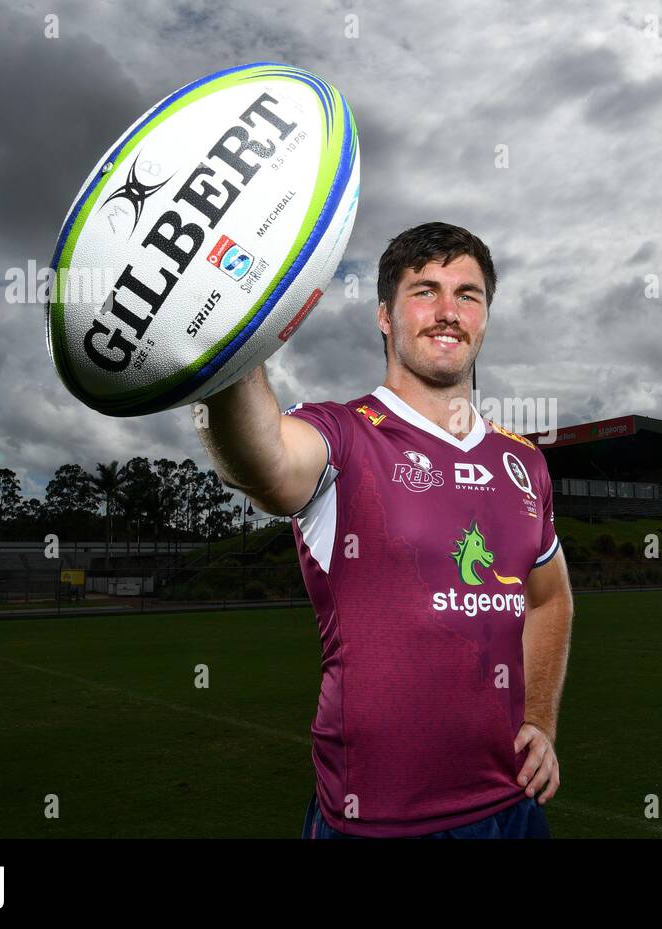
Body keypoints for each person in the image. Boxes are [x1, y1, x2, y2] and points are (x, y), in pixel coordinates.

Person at [198, 221, 575, 838]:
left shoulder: (523, 461)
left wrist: (541, 718)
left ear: (485, 316)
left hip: (514, 808)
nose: (449, 312)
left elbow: (550, 596)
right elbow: (265, 463)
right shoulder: (344, 434)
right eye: (425, 291)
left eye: (468, 295)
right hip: (374, 821)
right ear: (383, 316)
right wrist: (227, 336)